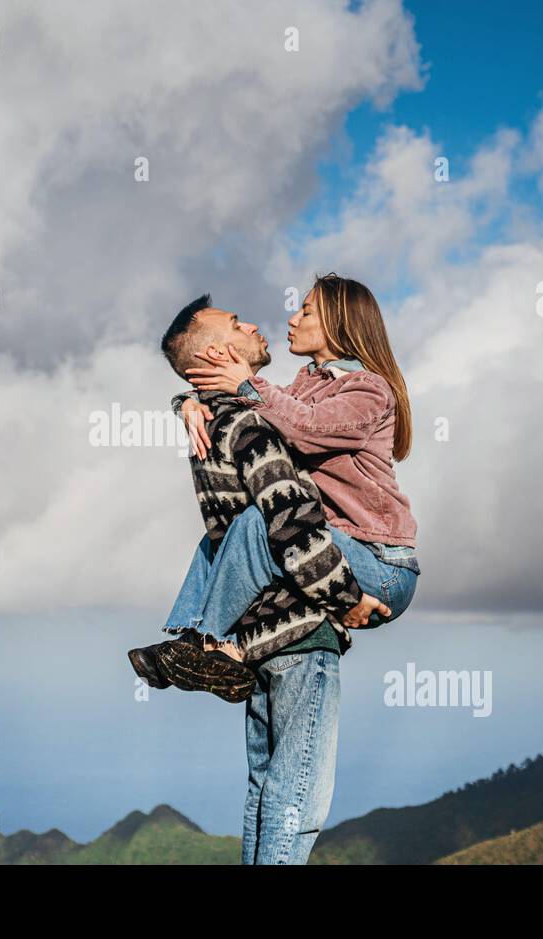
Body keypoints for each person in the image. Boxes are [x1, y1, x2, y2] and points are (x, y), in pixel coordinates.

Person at [129, 274, 421, 864]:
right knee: (276, 786)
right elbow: (261, 416)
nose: (289, 320)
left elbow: (303, 429)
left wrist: (242, 383)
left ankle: (209, 643)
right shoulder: (301, 387)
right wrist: (188, 401)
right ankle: (206, 642)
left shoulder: (368, 391)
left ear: (338, 323)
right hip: (320, 575)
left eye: (305, 312)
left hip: (379, 563)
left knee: (256, 527)